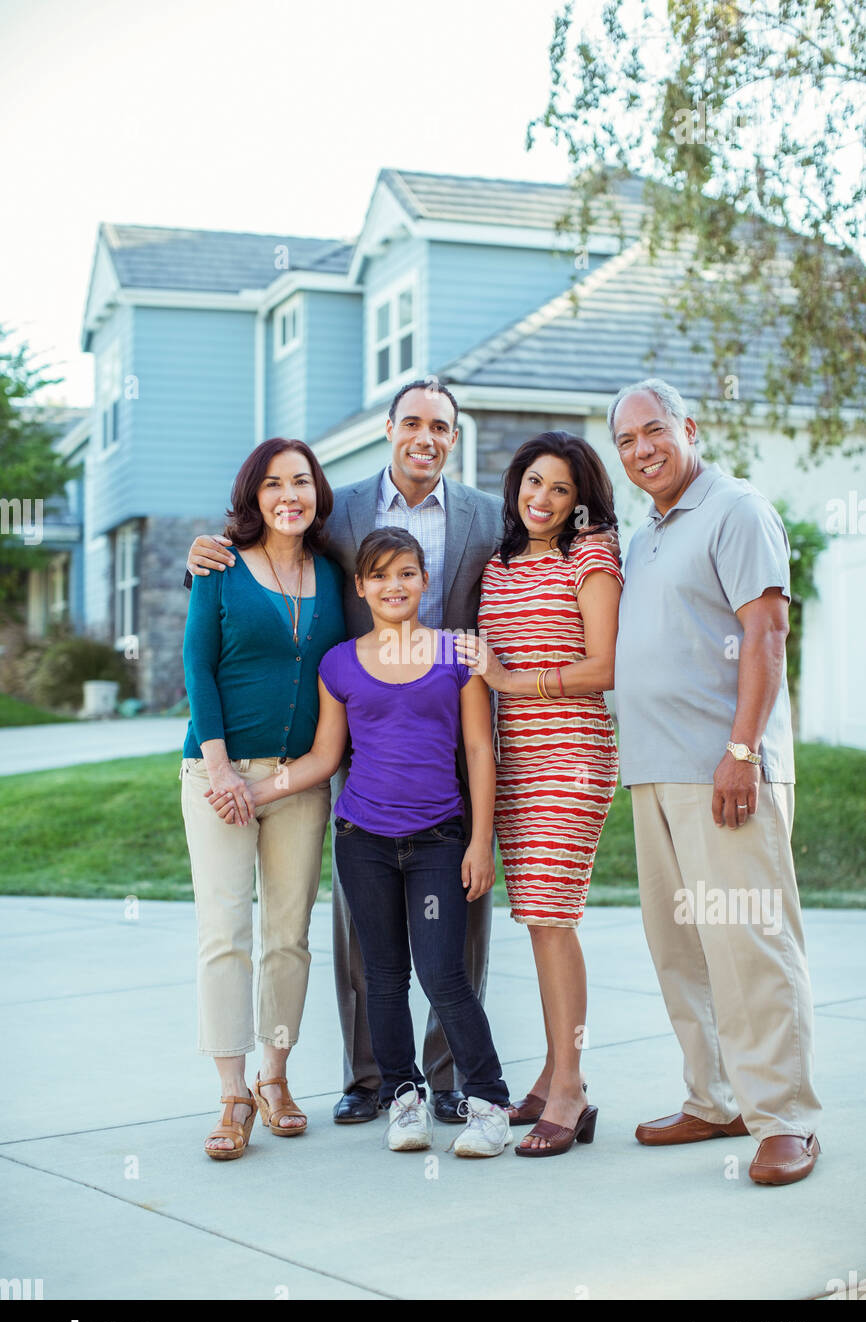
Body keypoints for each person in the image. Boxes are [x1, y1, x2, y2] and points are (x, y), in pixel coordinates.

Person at [185, 380, 502, 1126]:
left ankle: (452, 1078)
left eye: (442, 427)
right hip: (360, 739)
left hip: (453, 721)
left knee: (455, 929)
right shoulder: (342, 511)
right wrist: (207, 553)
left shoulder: (488, 517)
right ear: (390, 428)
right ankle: (374, 1079)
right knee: (365, 938)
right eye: (413, 422)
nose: (426, 437)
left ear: (455, 438)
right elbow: (269, 553)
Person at [609, 377, 821, 1186]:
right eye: (626, 441)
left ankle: (787, 1118)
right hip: (655, 775)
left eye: (654, 431)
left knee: (750, 944)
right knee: (683, 949)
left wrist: (742, 750)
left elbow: (766, 631)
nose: (642, 451)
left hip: (722, 769)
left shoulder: (736, 510)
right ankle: (715, 1098)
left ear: (688, 428)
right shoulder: (647, 535)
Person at [456, 433, 621, 1156]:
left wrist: (515, 681)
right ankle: (555, 1072)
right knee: (537, 917)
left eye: (558, 488)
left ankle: (572, 1088)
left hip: (574, 756)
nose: (542, 499)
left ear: (579, 500)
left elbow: (604, 666)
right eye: (532, 482)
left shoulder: (591, 556)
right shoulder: (496, 565)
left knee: (554, 916)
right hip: (517, 760)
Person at [180, 438, 345, 1159]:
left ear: (317, 493)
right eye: (274, 483)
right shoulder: (217, 567)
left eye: (301, 482)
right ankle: (231, 1094)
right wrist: (221, 772)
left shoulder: (336, 575)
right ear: (254, 495)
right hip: (217, 775)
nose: (290, 495)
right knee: (225, 932)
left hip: (300, 780)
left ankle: (276, 1078)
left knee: (289, 935)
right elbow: (198, 665)